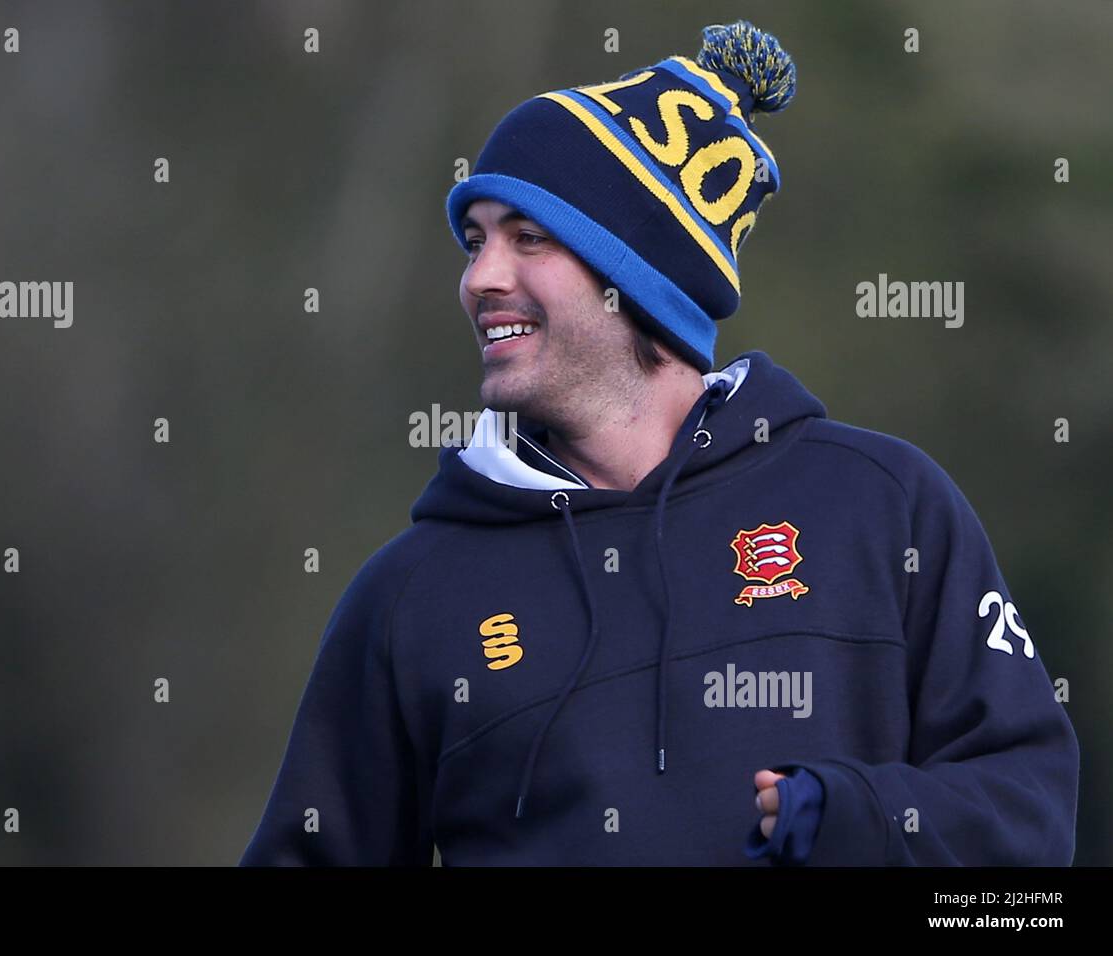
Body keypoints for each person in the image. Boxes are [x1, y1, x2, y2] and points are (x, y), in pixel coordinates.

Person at [237, 19, 1079, 866]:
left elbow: (1030, 818)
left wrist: (849, 823)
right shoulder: (409, 597)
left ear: (638, 278)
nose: (479, 278)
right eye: (475, 240)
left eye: (528, 237)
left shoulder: (885, 506)